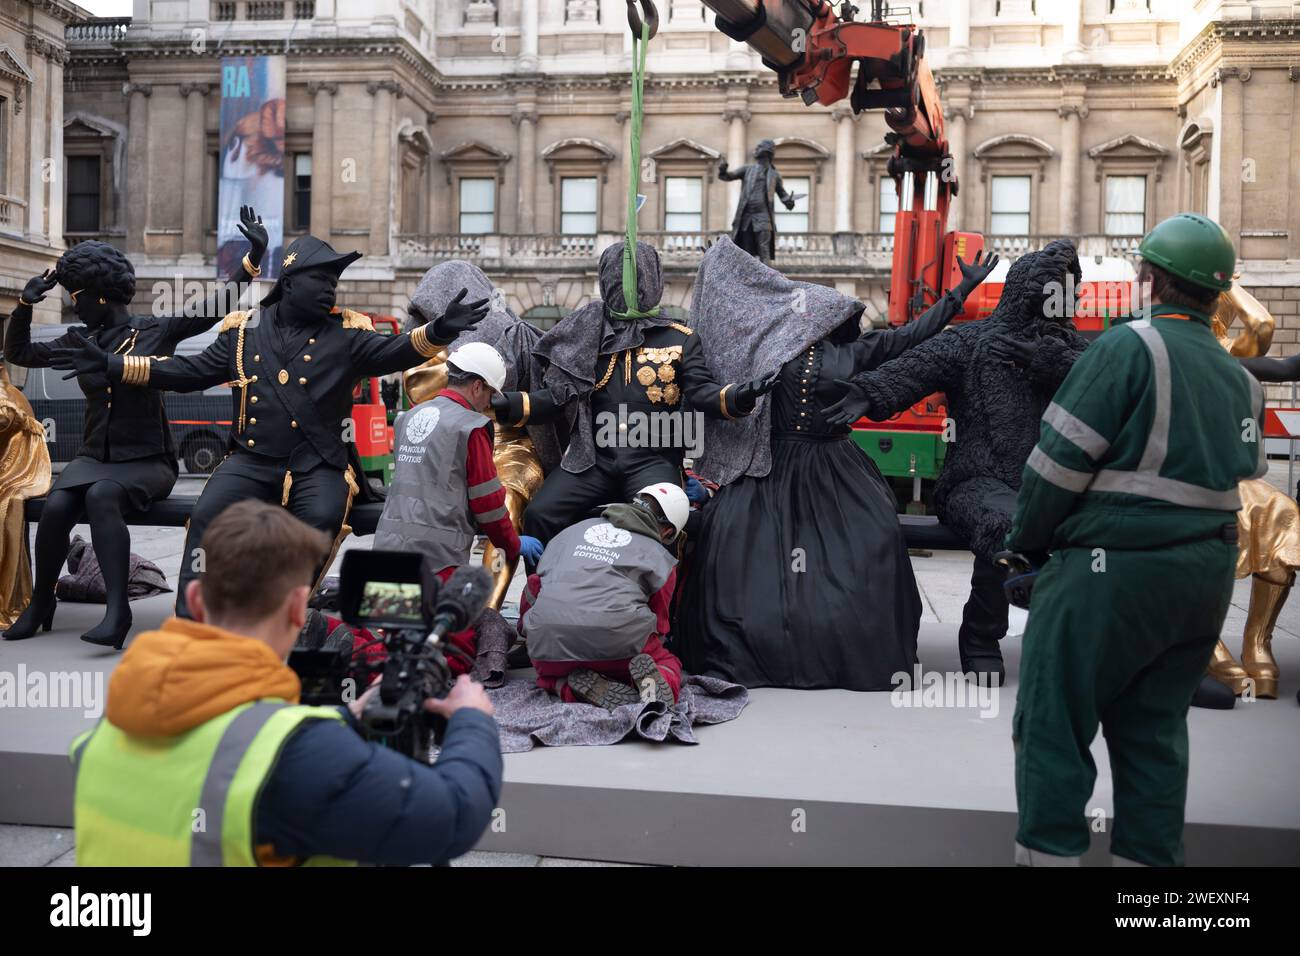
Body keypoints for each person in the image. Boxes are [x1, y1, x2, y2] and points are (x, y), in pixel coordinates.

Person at [1004, 213, 1265, 866]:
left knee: (1054, 727)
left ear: (1148, 279)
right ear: (1217, 293)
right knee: (1154, 735)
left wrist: (1026, 544)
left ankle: (1051, 855)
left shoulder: (1127, 349)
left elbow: (1055, 464)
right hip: (1201, 583)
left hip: (1108, 572)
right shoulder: (1244, 382)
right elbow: (1245, 474)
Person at [48, 234, 490, 619]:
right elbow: (188, 371)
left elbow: (395, 351)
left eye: (334, 283)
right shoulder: (243, 333)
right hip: (250, 459)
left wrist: (438, 331)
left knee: (318, 520)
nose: (330, 290)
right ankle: (191, 616)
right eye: (322, 281)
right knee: (205, 517)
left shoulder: (347, 335)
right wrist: (114, 365)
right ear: (292, 282)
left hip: (318, 463)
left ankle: (281, 614)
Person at [70, 500, 501, 866]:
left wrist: (342, 718)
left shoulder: (117, 717)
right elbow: (452, 816)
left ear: (196, 601)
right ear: (299, 608)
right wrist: (471, 721)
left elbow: (226, 737)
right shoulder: (295, 755)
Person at [677, 236, 997, 690]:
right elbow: (744, 303)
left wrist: (956, 296)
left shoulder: (853, 353)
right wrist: (719, 259)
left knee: (877, 537)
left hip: (833, 464)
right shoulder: (777, 347)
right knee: (729, 536)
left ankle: (834, 648)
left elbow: (909, 337)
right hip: (775, 462)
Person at [825, 240, 1090, 681]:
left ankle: (1073, 633)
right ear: (1032, 294)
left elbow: (1112, 383)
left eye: (1071, 289)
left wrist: (1047, 360)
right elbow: (914, 368)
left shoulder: (1074, 351)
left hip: (1054, 482)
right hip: (975, 481)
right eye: (1061, 289)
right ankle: (982, 637)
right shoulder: (973, 342)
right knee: (1005, 520)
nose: (1070, 299)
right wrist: (867, 392)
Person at [3, 208, 267, 647]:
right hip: (94, 457)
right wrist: (26, 304)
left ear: (100, 296)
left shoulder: (152, 331)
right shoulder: (78, 341)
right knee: (54, 508)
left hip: (146, 460)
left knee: (103, 497)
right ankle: (41, 603)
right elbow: (22, 353)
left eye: (77, 295)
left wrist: (252, 258)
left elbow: (212, 309)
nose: (73, 303)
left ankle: (117, 612)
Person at [517, 239, 777, 545]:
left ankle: (656, 591)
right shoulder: (587, 334)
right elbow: (557, 397)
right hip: (593, 461)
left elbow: (702, 391)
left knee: (662, 521)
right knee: (539, 514)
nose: (626, 287)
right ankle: (545, 587)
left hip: (653, 461)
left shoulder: (681, 338)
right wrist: (502, 403)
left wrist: (738, 396)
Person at [402, 260, 560, 608]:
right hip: (452, 447)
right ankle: (453, 624)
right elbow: (416, 387)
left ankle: (486, 610)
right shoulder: (425, 345)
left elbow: (494, 503)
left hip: (509, 443)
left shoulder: (513, 335)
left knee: (507, 501)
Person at [375, 342, 519, 672]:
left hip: (388, 552)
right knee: (458, 653)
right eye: (489, 394)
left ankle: (353, 643)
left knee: (391, 636)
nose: (488, 404)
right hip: (438, 561)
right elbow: (489, 505)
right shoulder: (470, 426)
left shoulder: (407, 418)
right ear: (477, 385)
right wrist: (512, 545)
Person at [519, 484, 689, 710]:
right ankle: (651, 686)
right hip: (617, 651)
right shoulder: (661, 559)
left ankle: (564, 686)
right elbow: (660, 626)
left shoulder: (572, 531)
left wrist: (529, 631)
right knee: (667, 661)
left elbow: (536, 584)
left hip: (549, 649)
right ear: (668, 531)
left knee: (545, 673)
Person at [0, 358, 52, 628]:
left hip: (14, 466)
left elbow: (6, 417)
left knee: (9, 504)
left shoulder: (8, 394)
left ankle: (13, 596)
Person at [718, 139, 797, 264]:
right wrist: (723, 169)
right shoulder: (747, 170)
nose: (755, 150)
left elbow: (783, 195)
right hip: (746, 217)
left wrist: (790, 202)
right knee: (745, 251)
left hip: (763, 217)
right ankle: (747, 279)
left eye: (759, 147)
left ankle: (768, 280)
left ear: (767, 151)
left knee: (763, 250)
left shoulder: (774, 175)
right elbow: (728, 176)